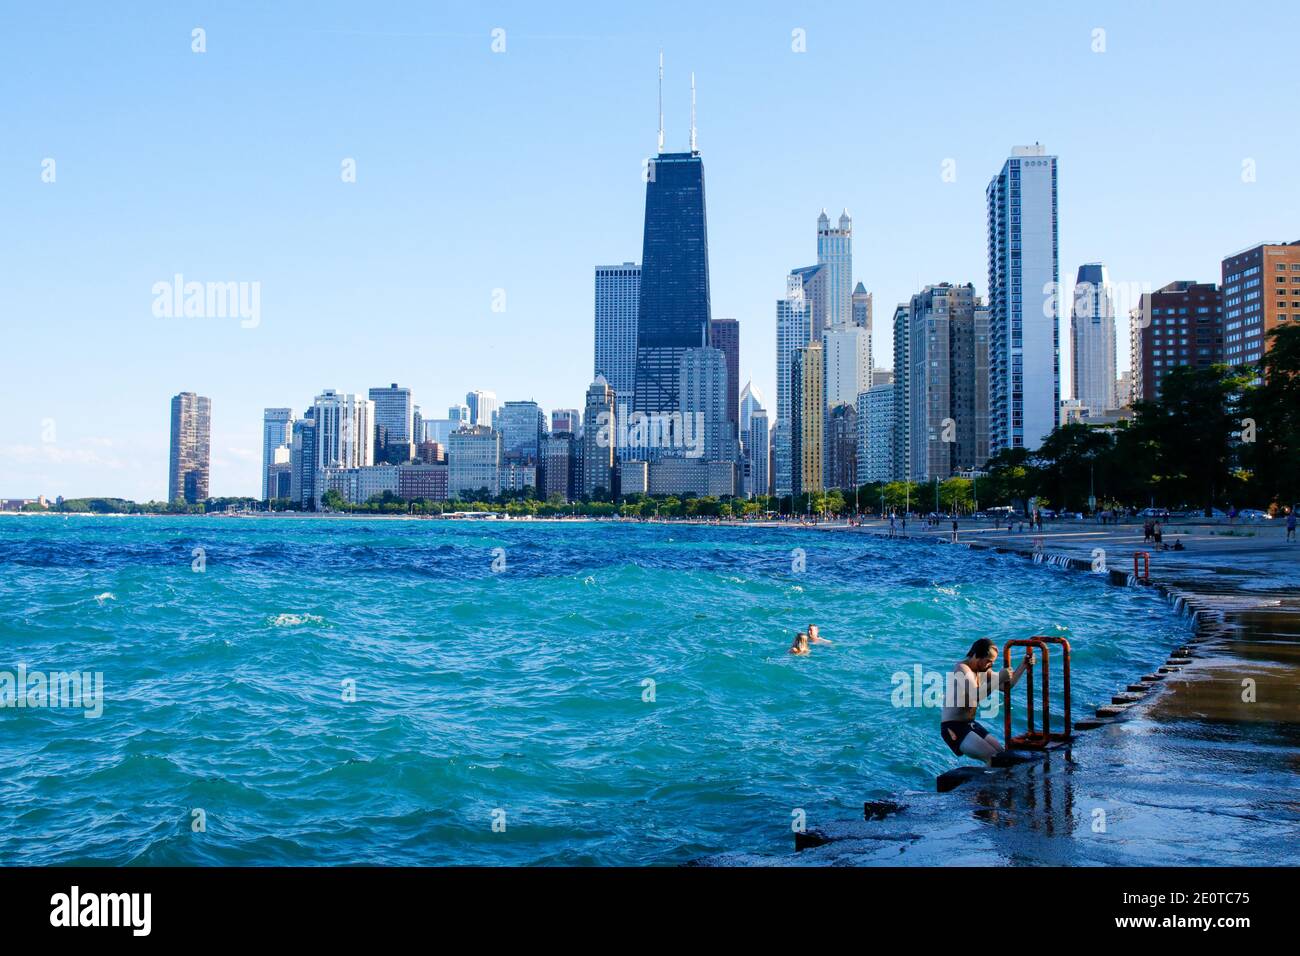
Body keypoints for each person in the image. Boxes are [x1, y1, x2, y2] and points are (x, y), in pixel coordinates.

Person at [940, 638, 1034, 764]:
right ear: (976, 656)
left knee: (1001, 755)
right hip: (953, 727)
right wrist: (999, 677)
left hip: (970, 724)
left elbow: (1007, 686)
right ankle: (993, 783)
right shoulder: (962, 669)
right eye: (988, 661)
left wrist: (1024, 665)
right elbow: (975, 695)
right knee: (993, 758)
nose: (991, 665)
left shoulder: (983, 671)